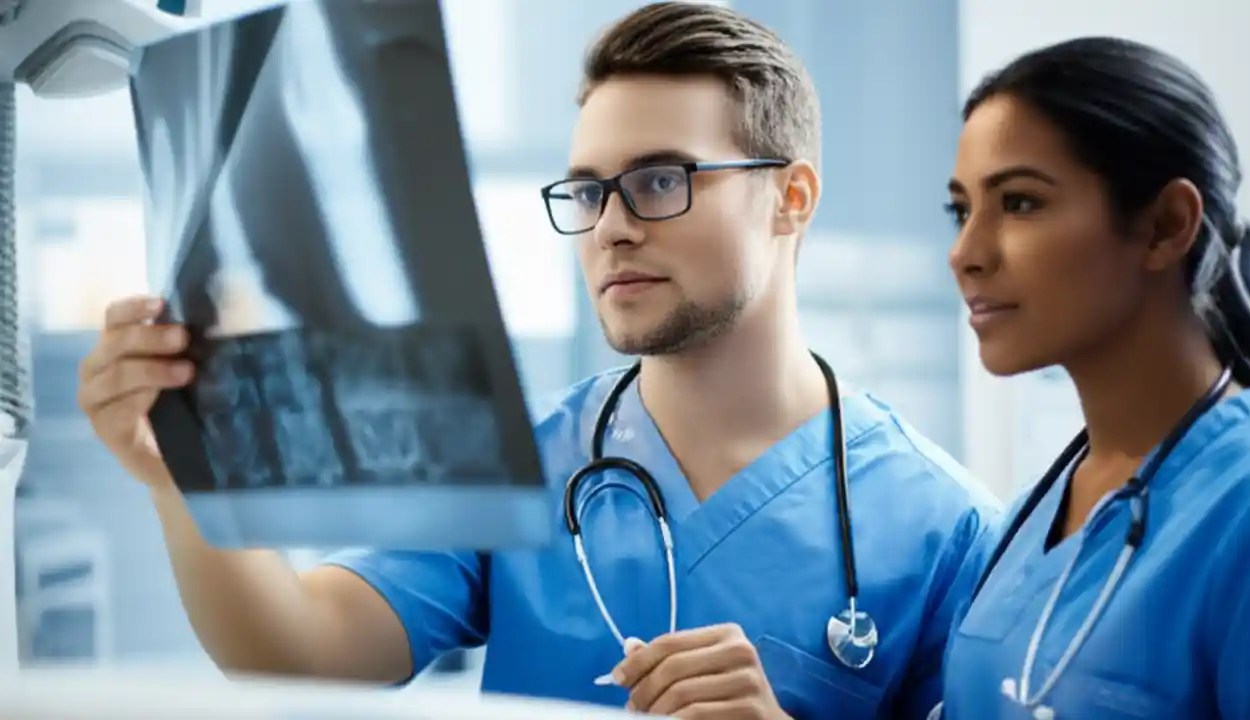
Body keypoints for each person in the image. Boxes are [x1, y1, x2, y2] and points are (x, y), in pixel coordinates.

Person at [76, 3, 999, 718]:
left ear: (791, 198)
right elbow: (302, 651)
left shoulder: (948, 529)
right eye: (589, 189)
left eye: (660, 180)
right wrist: (181, 481)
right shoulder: (523, 457)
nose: (612, 226)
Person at [939, 36, 1250, 719]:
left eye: (1020, 203)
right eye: (961, 210)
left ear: (1164, 225)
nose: (965, 254)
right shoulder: (1030, 517)